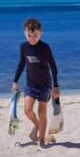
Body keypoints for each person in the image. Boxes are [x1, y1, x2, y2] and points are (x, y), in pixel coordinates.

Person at [13, 19, 60, 147]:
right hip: (31, 84)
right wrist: (15, 81)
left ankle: (42, 140)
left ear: (41, 34)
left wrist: (56, 86)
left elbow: (53, 66)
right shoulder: (24, 47)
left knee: (42, 111)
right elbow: (21, 64)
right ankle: (38, 126)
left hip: (45, 85)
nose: (32, 38)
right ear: (25, 33)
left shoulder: (45, 47)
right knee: (27, 110)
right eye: (29, 36)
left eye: (35, 36)